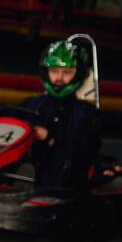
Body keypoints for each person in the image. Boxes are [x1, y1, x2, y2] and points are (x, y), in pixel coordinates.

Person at [20, 39, 101, 190]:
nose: (59, 78)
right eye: (54, 71)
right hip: (24, 159)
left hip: (60, 173)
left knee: (60, 161)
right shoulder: (31, 103)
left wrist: (50, 138)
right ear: (46, 71)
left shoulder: (86, 113)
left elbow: (85, 150)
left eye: (67, 72)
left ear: (79, 74)